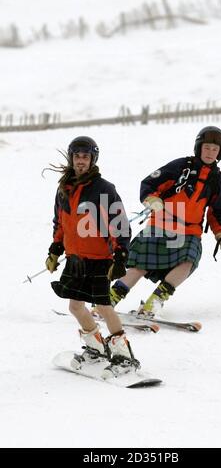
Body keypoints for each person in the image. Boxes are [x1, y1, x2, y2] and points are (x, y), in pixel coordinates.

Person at [109, 126, 221, 317]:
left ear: (220, 153)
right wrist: (151, 199)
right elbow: (150, 183)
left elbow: (220, 210)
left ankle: (154, 303)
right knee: (140, 266)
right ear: (199, 147)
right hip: (160, 224)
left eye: (215, 149)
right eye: (207, 147)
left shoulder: (217, 180)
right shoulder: (181, 166)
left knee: (188, 262)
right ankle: (108, 301)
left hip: (190, 232)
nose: (210, 152)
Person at [45, 136, 139, 378]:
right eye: (77, 156)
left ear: (92, 159)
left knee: (103, 306)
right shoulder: (64, 188)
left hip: (99, 257)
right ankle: (96, 348)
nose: (80, 161)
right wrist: (55, 249)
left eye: (85, 157)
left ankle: (124, 357)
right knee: (75, 306)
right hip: (76, 257)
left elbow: (119, 224)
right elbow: (61, 223)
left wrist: (120, 256)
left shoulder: (103, 189)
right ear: (71, 158)